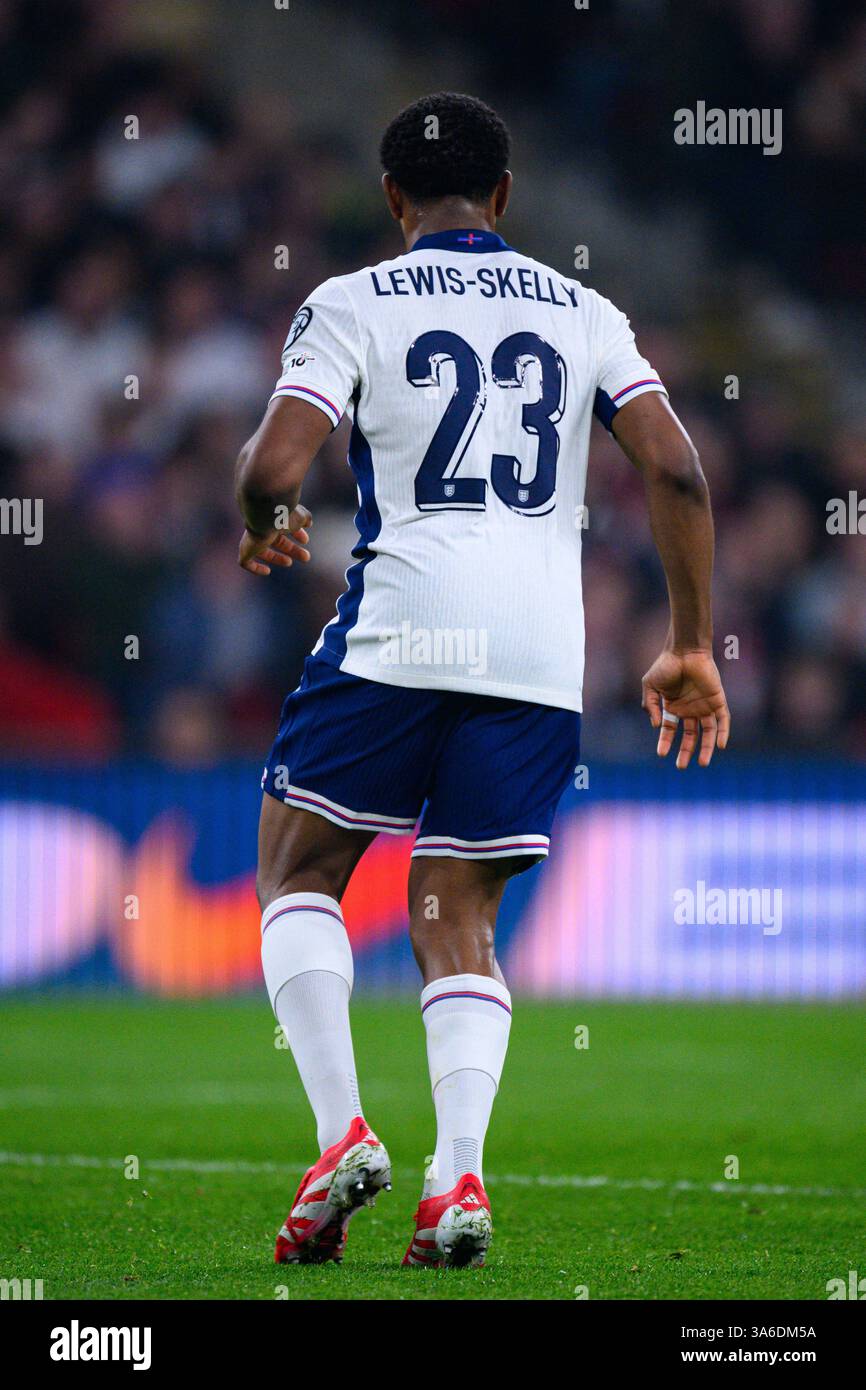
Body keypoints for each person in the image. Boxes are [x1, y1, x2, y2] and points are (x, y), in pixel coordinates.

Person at [235, 92, 730, 1269]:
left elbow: (272, 461)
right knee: (457, 917)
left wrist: (267, 516)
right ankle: (454, 1180)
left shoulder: (349, 301)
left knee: (298, 864)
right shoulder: (585, 311)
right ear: (504, 199)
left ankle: (337, 1133)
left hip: (399, 631)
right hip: (534, 659)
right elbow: (675, 466)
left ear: (393, 199)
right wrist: (693, 643)